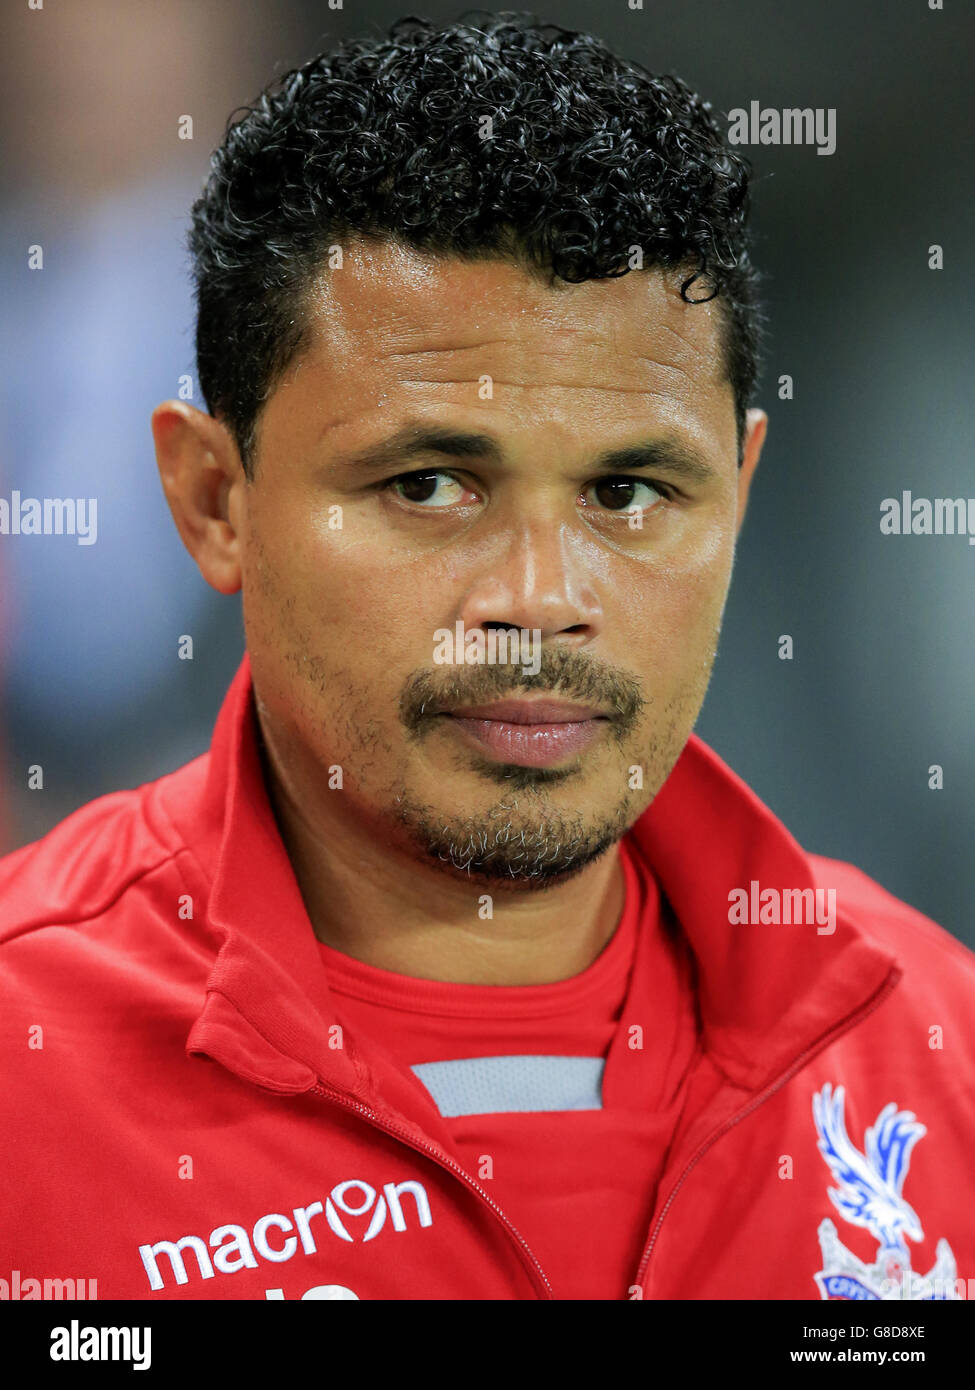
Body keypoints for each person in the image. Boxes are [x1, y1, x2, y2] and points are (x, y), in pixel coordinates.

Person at [1, 13, 972, 1303]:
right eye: (429, 483)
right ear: (214, 500)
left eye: (630, 494)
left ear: (737, 496)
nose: (541, 600)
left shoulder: (938, 1045)